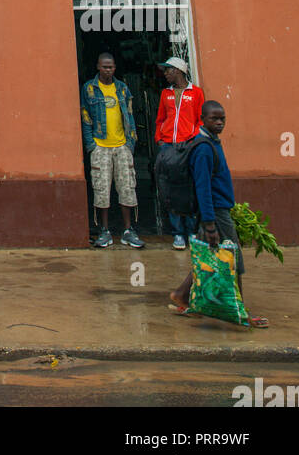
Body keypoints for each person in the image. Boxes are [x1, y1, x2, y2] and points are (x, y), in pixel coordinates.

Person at [168, 101, 268, 328]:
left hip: (217, 211)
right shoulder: (203, 148)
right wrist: (211, 223)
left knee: (209, 257)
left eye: (222, 118)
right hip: (215, 213)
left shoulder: (212, 143)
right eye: (215, 119)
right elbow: (203, 187)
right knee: (233, 260)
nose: (220, 123)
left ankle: (182, 295)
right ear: (203, 119)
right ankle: (241, 312)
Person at [81, 51, 144, 248]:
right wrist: (92, 145)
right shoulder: (90, 88)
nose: (108, 70)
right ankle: (104, 231)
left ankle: (128, 230)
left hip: (122, 145)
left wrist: (130, 143)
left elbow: (130, 116)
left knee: (127, 188)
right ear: (98, 67)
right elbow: (85, 117)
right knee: (101, 189)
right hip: (101, 146)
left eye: (111, 67)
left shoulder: (122, 89)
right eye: (105, 67)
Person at [153, 56, 204, 248]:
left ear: (179, 71)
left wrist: (194, 139)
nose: (165, 74)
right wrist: (159, 138)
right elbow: (160, 119)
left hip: (187, 145)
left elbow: (200, 119)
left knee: (188, 188)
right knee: (170, 189)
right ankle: (177, 234)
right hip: (168, 146)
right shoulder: (165, 94)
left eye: (168, 70)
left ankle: (191, 232)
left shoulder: (196, 93)